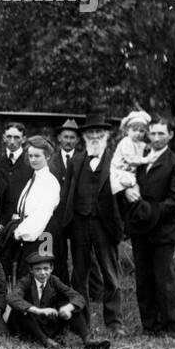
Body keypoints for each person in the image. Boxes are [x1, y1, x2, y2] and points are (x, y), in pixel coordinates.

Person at [123, 117, 175, 338]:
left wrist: (150, 212)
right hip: (140, 229)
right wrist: (127, 192)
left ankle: (170, 328)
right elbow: (127, 180)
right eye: (153, 133)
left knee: (163, 280)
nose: (157, 138)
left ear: (170, 135)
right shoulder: (140, 158)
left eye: (162, 133)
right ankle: (150, 326)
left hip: (162, 230)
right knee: (143, 279)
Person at [65, 112, 126, 334]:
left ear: (107, 135)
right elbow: (68, 194)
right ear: (84, 136)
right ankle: (80, 323)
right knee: (79, 275)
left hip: (105, 224)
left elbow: (124, 198)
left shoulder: (117, 161)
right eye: (90, 133)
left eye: (99, 133)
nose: (95, 136)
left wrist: (121, 225)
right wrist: (67, 222)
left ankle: (114, 322)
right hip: (80, 223)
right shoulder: (76, 161)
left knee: (110, 274)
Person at [8, 249, 108, 349]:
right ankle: (46, 341)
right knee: (23, 310)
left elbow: (78, 297)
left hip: (48, 323)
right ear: (31, 270)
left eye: (46, 268)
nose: (42, 273)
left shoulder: (54, 280)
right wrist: (39, 310)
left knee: (70, 305)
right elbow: (12, 297)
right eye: (38, 269)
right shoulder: (26, 281)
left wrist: (68, 308)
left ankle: (88, 340)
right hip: (30, 326)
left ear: (51, 268)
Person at [1, 136, 61, 280]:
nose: (33, 160)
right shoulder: (33, 178)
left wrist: (20, 233)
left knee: (38, 274)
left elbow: (42, 214)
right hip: (29, 230)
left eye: (37, 156)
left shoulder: (49, 182)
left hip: (40, 233)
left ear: (47, 157)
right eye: (31, 156)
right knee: (25, 273)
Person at [47, 118, 81, 281]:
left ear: (77, 140)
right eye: (65, 137)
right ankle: (61, 284)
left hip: (77, 215)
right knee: (59, 253)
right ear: (59, 138)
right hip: (57, 215)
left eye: (72, 137)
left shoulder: (83, 160)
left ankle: (90, 290)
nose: (68, 141)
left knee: (81, 253)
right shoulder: (50, 161)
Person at [110, 110, 152, 195]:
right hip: (120, 172)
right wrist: (146, 160)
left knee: (137, 191)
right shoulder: (126, 142)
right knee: (131, 190)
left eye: (141, 131)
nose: (138, 133)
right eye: (134, 130)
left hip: (130, 174)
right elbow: (131, 159)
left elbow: (145, 146)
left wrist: (149, 147)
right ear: (127, 131)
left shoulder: (139, 143)